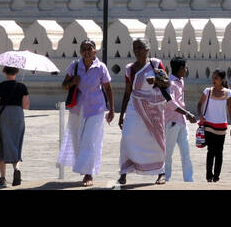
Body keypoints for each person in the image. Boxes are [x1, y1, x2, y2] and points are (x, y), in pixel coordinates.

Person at [57, 39, 114, 186]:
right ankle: (83, 168)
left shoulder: (101, 67)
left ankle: (88, 174)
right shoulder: (75, 66)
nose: (87, 51)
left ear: (95, 50)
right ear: (80, 52)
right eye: (84, 49)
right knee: (77, 140)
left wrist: (112, 110)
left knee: (89, 140)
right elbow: (64, 85)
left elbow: (108, 88)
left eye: (90, 48)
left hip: (96, 108)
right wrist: (72, 82)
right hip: (78, 108)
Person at [116, 39, 169, 185]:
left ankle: (161, 172)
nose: (137, 50)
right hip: (135, 104)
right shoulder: (129, 68)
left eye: (141, 47)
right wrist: (121, 115)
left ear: (148, 49)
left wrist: (156, 81)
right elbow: (127, 92)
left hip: (154, 108)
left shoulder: (156, 64)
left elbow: (167, 82)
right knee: (127, 136)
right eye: (135, 48)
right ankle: (124, 171)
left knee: (156, 140)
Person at [0, 65, 28, 187]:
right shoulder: (22, 87)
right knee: (15, 144)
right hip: (18, 116)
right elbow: (25, 106)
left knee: (0, 144)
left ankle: (3, 178)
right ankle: (16, 169)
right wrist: (21, 92)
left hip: (3, 117)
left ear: (4, 72)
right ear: (17, 72)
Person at [160, 57, 198, 184]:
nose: (186, 70)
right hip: (172, 122)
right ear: (181, 69)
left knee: (186, 152)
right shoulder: (169, 83)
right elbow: (171, 103)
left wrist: (185, 116)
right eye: (185, 67)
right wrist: (187, 113)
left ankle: (189, 179)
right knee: (168, 153)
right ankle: (166, 177)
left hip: (181, 122)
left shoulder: (181, 81)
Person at [197, 69, 231, 182]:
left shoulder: (228, 92)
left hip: (222, 126)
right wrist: (200, 115)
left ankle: (216, 177)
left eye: (216, 78)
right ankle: (209, 176)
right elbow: (199, 104)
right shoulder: (207, 91)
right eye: (213, 77)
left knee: (219, 152)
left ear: (222, 79)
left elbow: (230, 111)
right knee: (211, 151)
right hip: (208, 124)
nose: (213, 80)